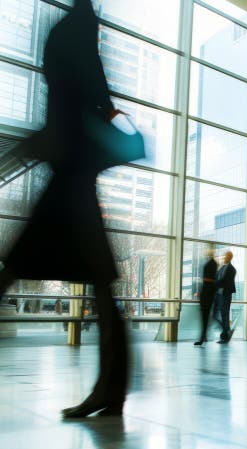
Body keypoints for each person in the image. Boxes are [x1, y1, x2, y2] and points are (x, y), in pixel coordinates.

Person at [0, 0, 144, 418]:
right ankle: (111, 390)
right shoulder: (79, 26)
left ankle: (111, 390)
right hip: (74, 180)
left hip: (70, 181)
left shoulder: (69, 27)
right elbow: (90, 92)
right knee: (99, 286)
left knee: (15, 270)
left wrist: (37, 146)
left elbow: (71, 97)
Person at [194, 248, 219, 346]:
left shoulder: (212, 263)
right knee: (205, 316)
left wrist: (204, 281)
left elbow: (209, 279)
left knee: (205, 316)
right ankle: (203, 336)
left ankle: (203, 337)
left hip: (207, 294)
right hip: (207, 293)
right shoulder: (212, 263)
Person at [213, 250, 236, 344]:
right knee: (215, 315)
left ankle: (225, 335)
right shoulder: (222, 268)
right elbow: (216, 277)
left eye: (226, 256)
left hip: (225, 295)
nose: (224, 257)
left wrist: (212, 284)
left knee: (224, 315)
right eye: (224, 256)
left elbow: (223, 280)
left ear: (230, 258)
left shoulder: (232, 269)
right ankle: (227, 330)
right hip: (218, 295)